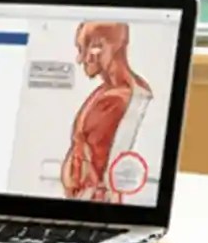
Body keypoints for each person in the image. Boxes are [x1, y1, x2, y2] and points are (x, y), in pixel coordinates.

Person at [60, 22, 153, 204]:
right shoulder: (112, 92)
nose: (80, 59)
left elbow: (95, 168)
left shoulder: (114, 100)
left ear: (102, 47)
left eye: (84, 48)